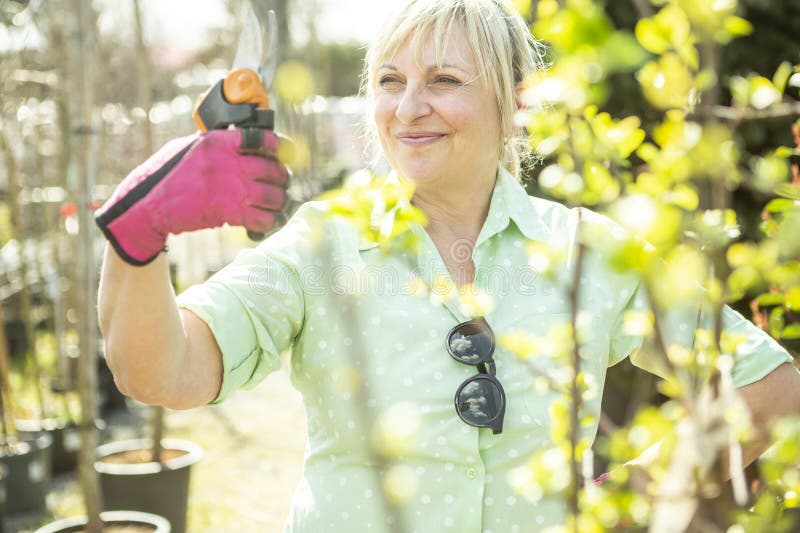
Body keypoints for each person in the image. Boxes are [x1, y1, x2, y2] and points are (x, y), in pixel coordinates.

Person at [96, 0, 800, 531]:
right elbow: (162, 372)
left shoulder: (588, 248)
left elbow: (772, 385)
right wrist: (138, 238)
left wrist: (637, 497)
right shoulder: (324, 244)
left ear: (514, 102)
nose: (407, 108)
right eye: (389, 79)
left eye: (444, 79)